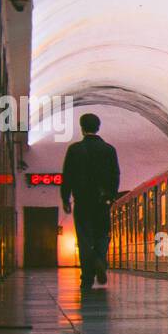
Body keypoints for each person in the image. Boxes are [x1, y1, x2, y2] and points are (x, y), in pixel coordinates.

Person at [61, 113, 120, 291]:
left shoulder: (74, 150)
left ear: (82, 128)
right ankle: (100, 260)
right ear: (98, 127)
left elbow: (67, 176)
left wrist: (66, 198)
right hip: (102, 202)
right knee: (102, 235)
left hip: (83, 202)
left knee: (85, 238)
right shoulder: (109, 149)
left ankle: (87, 277)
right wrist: (111, 196)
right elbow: (115, 175)